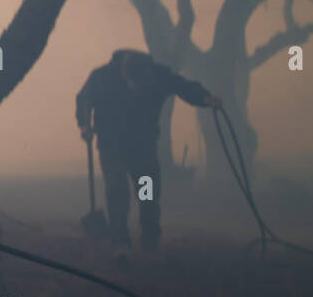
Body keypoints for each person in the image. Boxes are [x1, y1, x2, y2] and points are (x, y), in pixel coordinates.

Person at [76, 49, 221, 252]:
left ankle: (150, 239)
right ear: (124, 73)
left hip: (142, 147)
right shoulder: (102, 77)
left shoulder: (159, 75)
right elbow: (84, 99)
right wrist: (84, 125)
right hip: (111, 145)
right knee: (117, 189)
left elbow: (183, 87)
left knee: (147, 192)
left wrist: (205, 98)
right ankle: (120, 240)